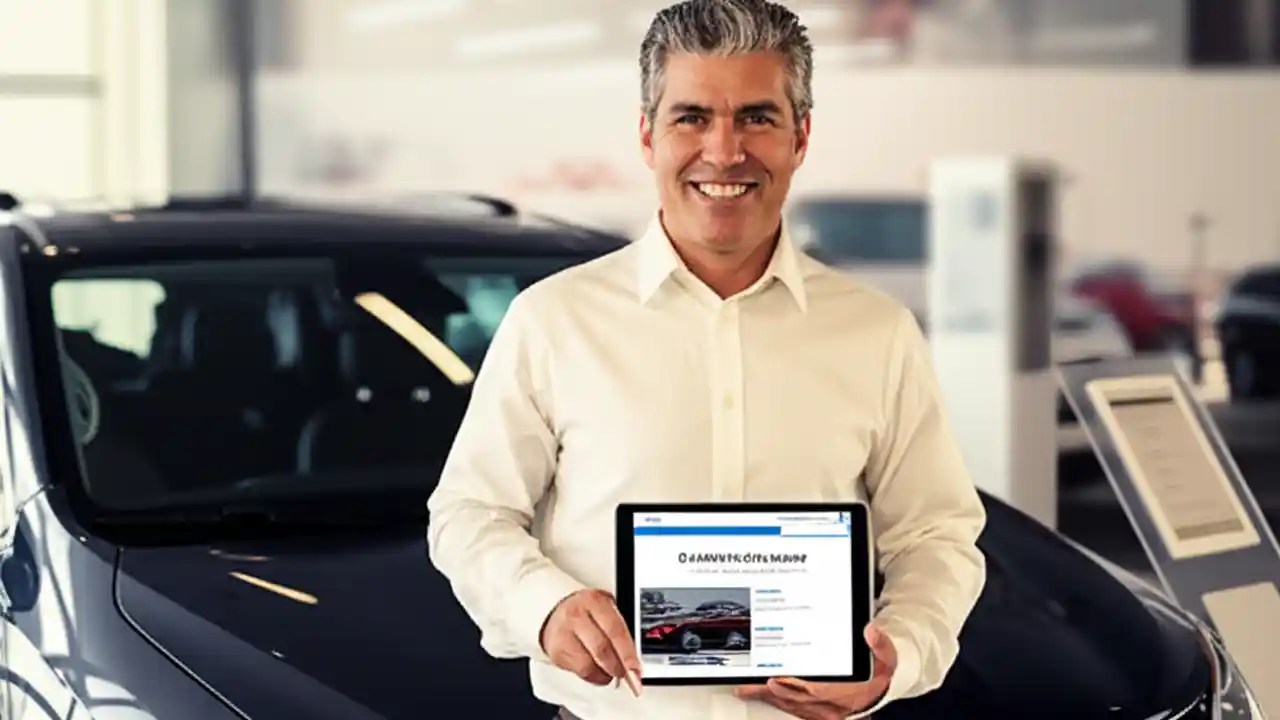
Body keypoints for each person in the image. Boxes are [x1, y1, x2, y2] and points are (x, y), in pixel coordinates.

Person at [426, 0, 987, 718]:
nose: (724, 152)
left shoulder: (877, 333)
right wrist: (544, 607)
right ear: (648, 135)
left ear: (800, 137)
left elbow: (937, 534)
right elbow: (469, 512)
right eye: (692, 117)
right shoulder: (554, 322)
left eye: (757, 117)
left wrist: (899, 654)